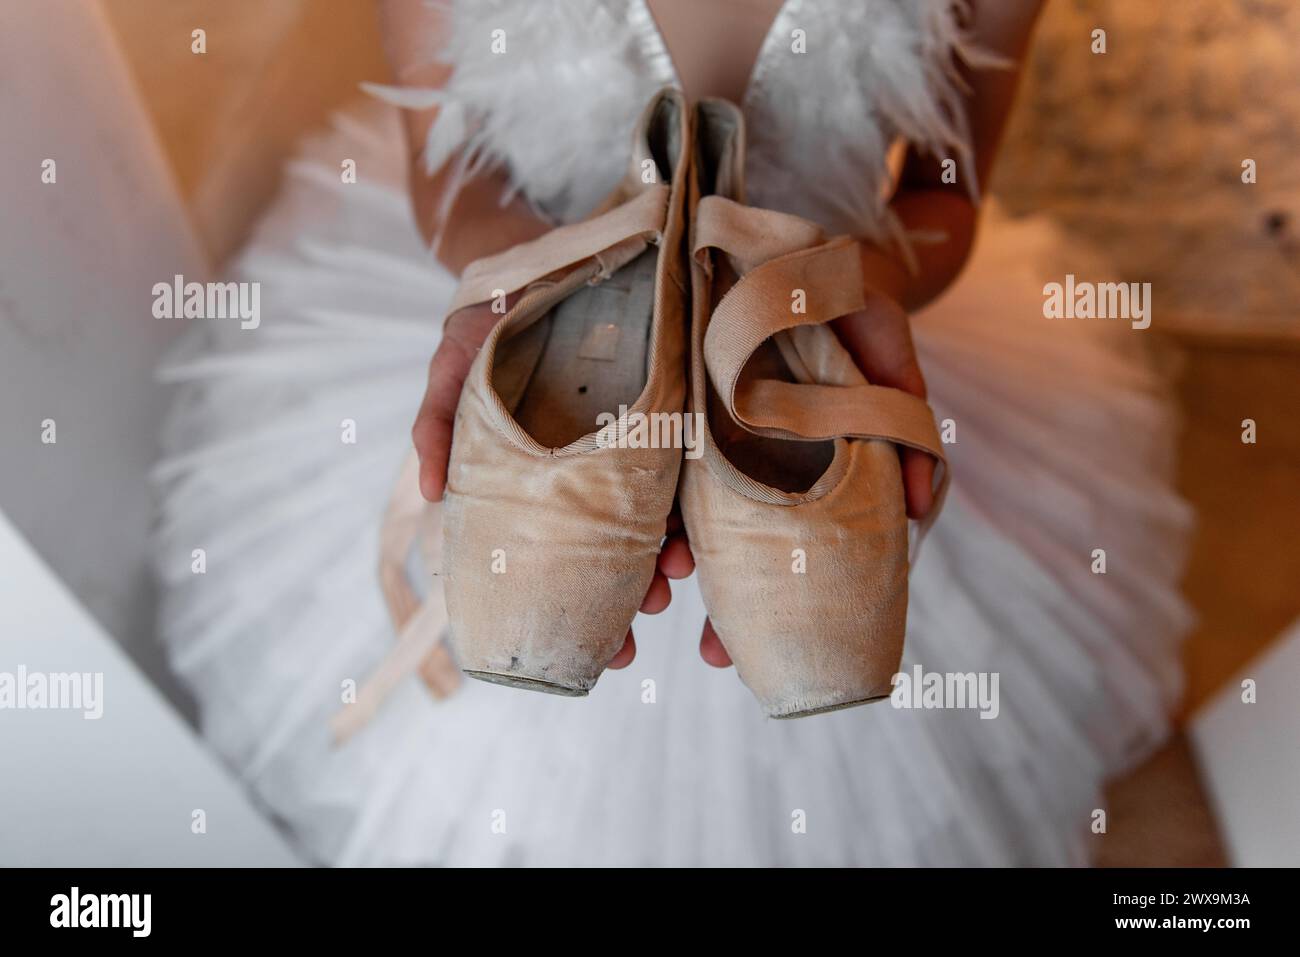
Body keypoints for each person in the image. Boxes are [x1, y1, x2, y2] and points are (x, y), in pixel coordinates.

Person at [155, 0, 1192, 865]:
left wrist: (858, 281)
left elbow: (941, 188)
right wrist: (518, 274)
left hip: (799, 312)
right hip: (570, 294)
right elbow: (447, 169)